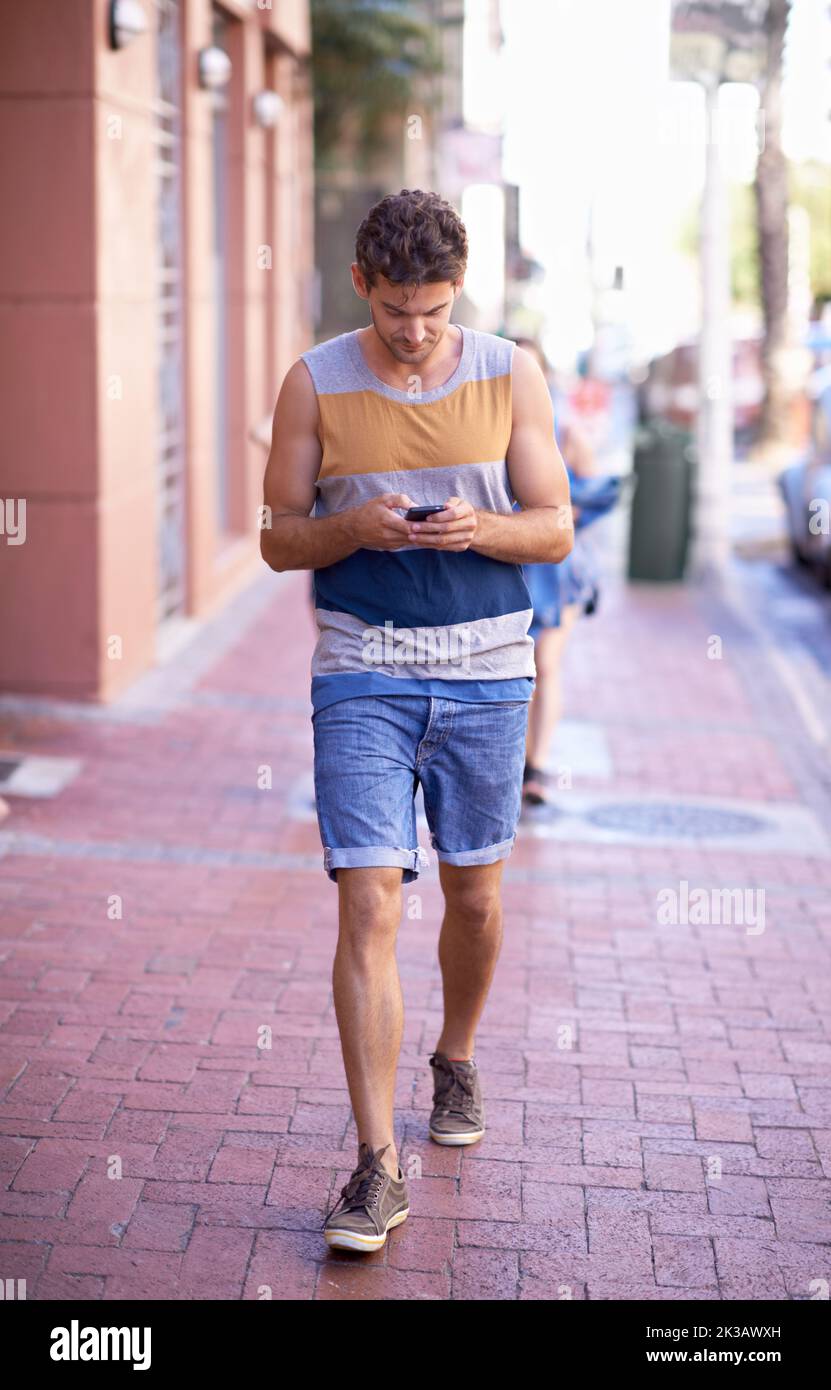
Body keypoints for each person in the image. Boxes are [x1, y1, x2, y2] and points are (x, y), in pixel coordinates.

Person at [260, 189, 572, 1253]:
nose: (417, 330)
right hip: (364, 673)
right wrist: (352, 526)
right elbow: (276, 538)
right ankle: (375, 1165)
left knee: (475, 899)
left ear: (459, 291)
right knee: (369, 903)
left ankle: (458, 1054)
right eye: (398, 309)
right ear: (364, 287)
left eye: (435, 308)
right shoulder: (314, 379)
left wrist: (482, 526)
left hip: (489, 676)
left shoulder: (507, 369)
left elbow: (557, 527)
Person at [513, 340, 598, 806]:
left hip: (559, 571)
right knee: (514, 667)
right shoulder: (488, 428)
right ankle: (514, 758)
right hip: (508, 569)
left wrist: (561, 515)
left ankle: (537, 765)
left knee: (545, 664)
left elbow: (598, 490)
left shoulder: (566, 433)